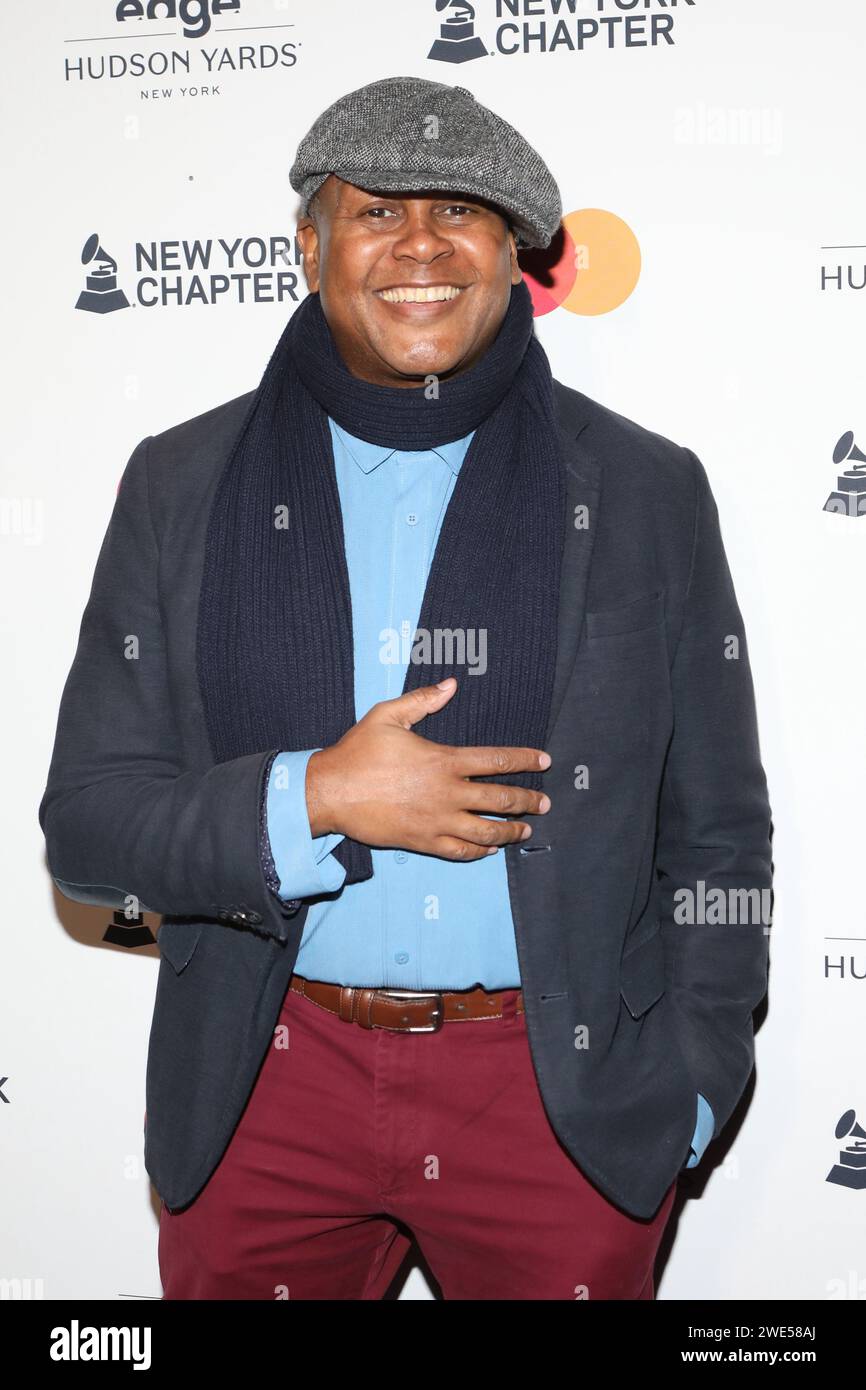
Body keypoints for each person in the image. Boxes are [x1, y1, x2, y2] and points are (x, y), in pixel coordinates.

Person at [39, 75, 773, 1300]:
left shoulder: (644, 489)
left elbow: (715, 831)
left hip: (557, 1098)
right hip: (269, 1083)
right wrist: (313, 795)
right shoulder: (181, 484)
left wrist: (691, 1091)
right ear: (309, 245)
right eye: (375, 210)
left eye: (460, 211)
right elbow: (91, 829)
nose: (421, 244)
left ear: (510, 253)